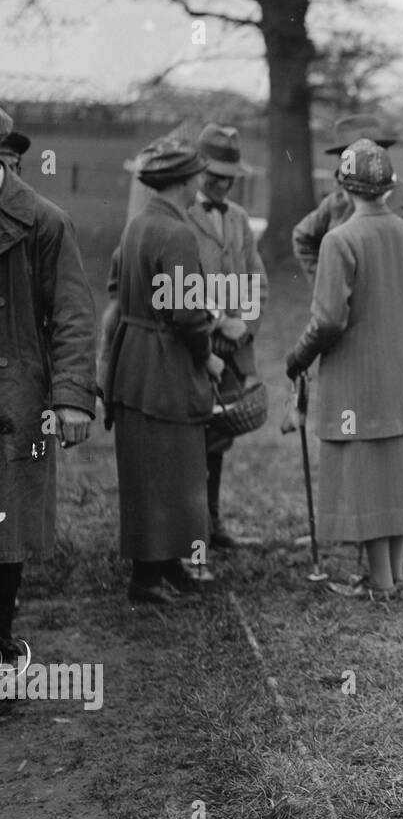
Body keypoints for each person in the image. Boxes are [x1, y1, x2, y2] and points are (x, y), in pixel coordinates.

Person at [285, 140, 403, 600]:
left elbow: (328, 319)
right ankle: (389, 577)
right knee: (391, 473)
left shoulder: (340, 239)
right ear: (389, 186)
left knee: (367, 478)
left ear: (344, 188)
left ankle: (380, 583)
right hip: (399, 376)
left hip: (353, 378)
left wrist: (298, 357)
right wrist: (392, 347)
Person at [0, 104, 97, 676]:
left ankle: (3, 645)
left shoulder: (43, 221)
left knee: (6, 524)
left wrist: (71, 398)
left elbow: (72, 316)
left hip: (16, 398)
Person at [101, 138, 219, 605]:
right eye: (196, 175)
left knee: (151, 470)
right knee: (171, 470)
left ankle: (163, 566)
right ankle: (147, 579)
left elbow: (116, 288)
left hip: (134, 363)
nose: (200, 183)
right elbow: (188, 315)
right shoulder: (177, 234)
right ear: (181, 182)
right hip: (165, 367)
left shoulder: (138, 225)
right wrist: (208, 356)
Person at [187, 123, 266, 553]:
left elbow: (258, 281)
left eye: (229, 177)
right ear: (197, 170)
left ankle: (212, 522)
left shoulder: (237, 219)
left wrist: (243, 328)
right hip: (192, 346)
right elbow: (174, 283)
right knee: (189, 440)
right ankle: (189, 527)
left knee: (219, 438)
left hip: (231, 352)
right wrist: (215, 323)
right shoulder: (181, 216)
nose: (221, 183)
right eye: (213, 175)